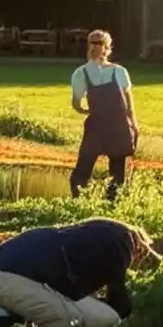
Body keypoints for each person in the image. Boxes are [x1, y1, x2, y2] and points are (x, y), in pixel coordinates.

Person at [0, 217, 161, 327]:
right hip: (5, 279)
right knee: (104, 317)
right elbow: (121, 306)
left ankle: (3, 315)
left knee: (67, 304)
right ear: (141, 248)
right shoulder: (123, 242)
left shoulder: (95, 234)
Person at [69, 30, 139, 200]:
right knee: (116, 173)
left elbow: (76, 103)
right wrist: (133, 124)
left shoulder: (81, 73)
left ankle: (80, 202)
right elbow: (129, 102)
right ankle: (110, 204)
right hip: (117, 125)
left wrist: (86, 111)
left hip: (99, 125)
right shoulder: (119, 71)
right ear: (108, 48)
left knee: (83, 171)